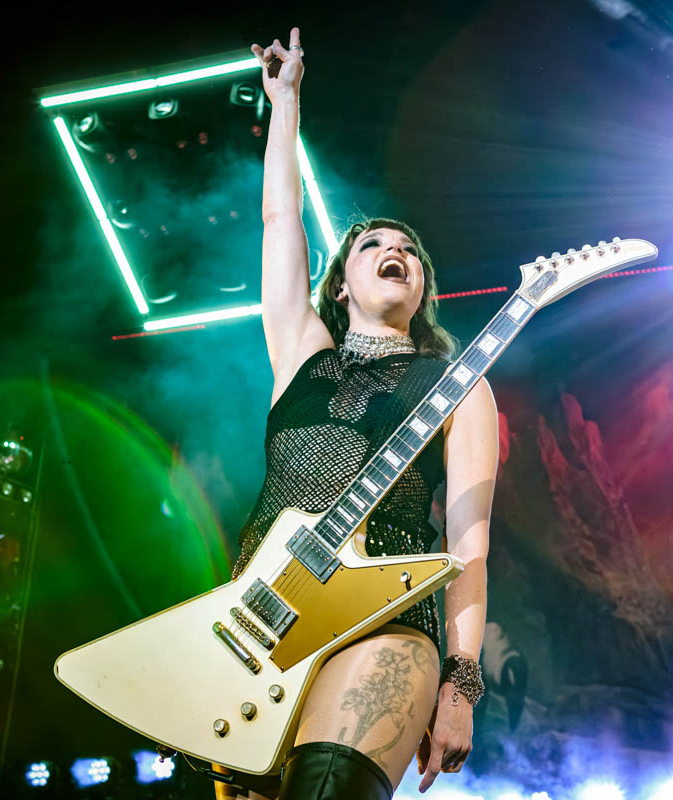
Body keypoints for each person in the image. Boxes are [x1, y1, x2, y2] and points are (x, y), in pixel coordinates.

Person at [209, 28, 499, 800]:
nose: (396, 250)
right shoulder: (300, 349)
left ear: (421, 287)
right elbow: (280, 220)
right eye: (375, 243)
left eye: (410, 250)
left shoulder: (458, 381)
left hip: (388, 621)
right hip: (260, 624)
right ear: (342, 282)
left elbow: (470, 546)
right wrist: (286, 103)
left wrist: (461, 687)